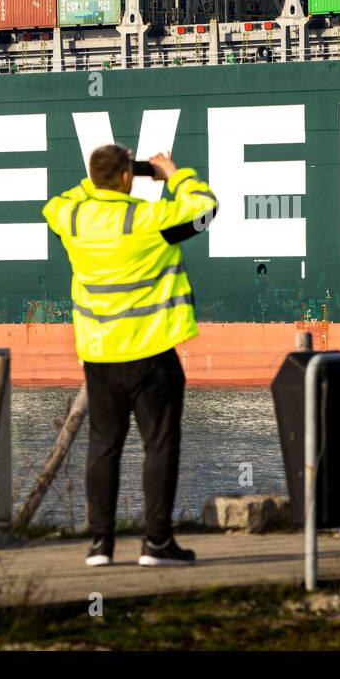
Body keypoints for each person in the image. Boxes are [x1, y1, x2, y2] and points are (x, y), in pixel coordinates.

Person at [43, 145, 217, 567]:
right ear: (127, 177)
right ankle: (156, 544)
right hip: (152, 354)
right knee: (158, 445)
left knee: (103, 448)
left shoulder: (72, 217)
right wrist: (170, 173)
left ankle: (99, 545)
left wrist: (102, 180)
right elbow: (205, 209)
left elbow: (59, 203)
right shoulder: (149, 221)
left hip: (100, 358)